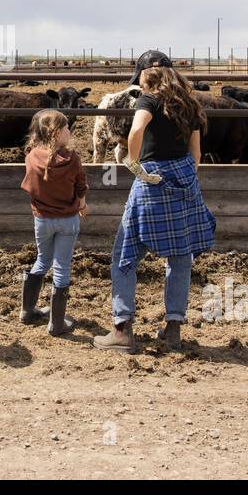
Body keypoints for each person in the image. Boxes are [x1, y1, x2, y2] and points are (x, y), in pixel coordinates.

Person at [94, 55, 216, 354]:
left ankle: (122, 329)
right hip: (185, 178)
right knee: (180, 255)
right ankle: (173, 330)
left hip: (153, 179)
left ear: (146, 77)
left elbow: (135, 132)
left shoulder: (147, 101)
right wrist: (185, 176)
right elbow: (197, 154)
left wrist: (135, 166)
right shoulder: (190, 104)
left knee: (125, 254)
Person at [19, 109, 87, 336]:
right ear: (57, 132)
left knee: (42, 260)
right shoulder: (72, 159)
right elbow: (80, 187)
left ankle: (27, 311)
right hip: (67, 221)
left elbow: (30, 187)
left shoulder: (31, 157)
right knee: (62, 268)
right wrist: (82, 204)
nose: (70, 131)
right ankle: (56, 324)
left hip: (42, 220)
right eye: (67, 127)